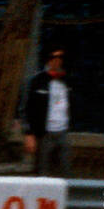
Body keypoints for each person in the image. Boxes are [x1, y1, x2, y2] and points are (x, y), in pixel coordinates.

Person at [23, 46, 72, 177]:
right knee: (42, 171)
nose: (57, 61)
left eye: (60, 58)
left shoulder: (66, 80)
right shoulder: (37, 81)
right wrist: (29, 133)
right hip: (44, 133)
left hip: (62, 130)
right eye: (53, 58)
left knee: (65, 170)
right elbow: (27, 107)